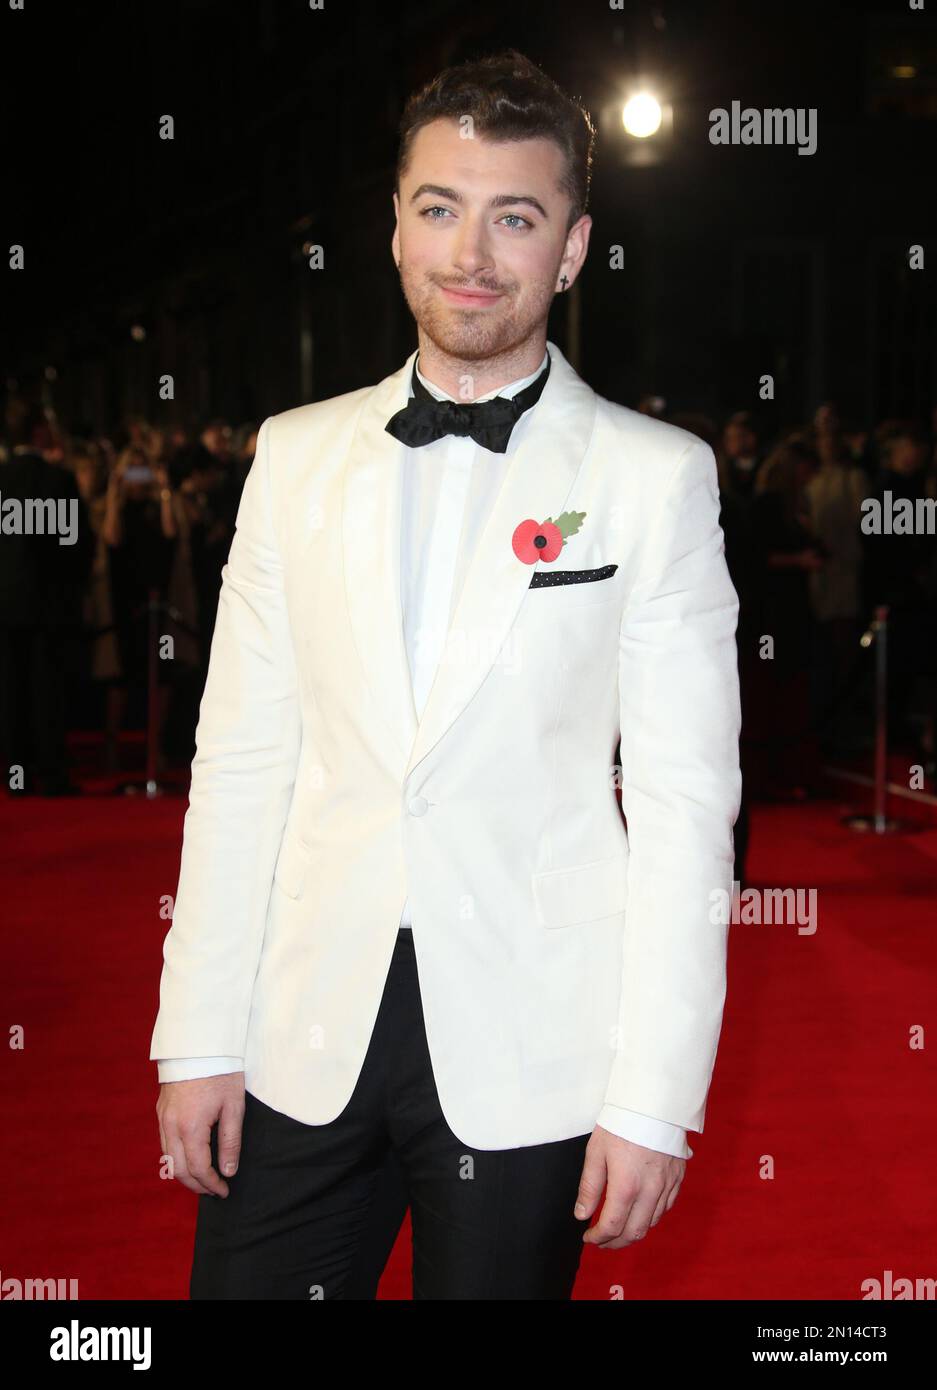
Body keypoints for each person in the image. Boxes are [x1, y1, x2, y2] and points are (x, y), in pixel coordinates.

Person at [150, 49, 742, 1300]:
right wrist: (195, 1034)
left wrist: (654, 1096)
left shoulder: (654, 477)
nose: (471, 251)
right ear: (395, 227)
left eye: (514, 217)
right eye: (439, 207)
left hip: (532, 1050)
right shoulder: (293, 458)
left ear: (572, 248)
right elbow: (242, 764)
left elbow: (688, 812)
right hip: (299, 1036)